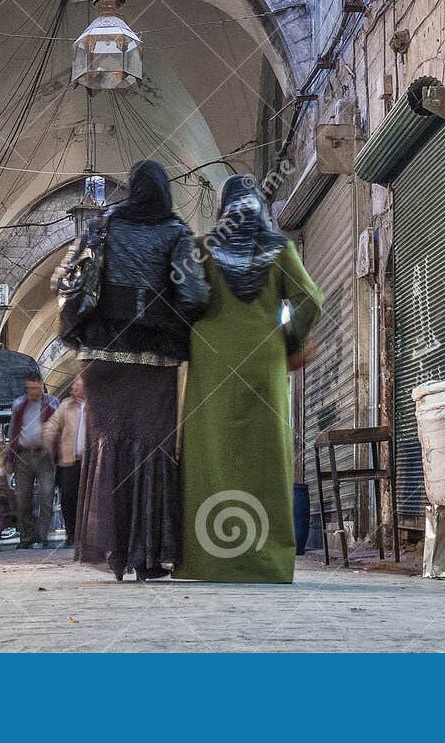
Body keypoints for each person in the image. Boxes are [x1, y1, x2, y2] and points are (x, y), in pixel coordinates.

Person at [54, 160, 208, 581]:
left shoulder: (103, 226)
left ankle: (114, 552)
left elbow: (66, 279)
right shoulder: (176, 233)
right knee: (152, 451)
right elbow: (193, 294)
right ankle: (148, 556)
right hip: (153, 357)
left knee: (109, 449)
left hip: (101, 355)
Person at [177, 174, 323, 584]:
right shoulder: (280, 249)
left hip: (211, 361)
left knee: (210, 454)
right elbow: (310, 299)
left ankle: (209, 560)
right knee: (266, 454)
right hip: (265, 358)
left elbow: (182, 301)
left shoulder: (203, 249)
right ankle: (267, 562)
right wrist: (290, 341)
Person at [7, 371, 58, 548]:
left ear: (42, 386)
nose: (32, 392)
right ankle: (26, 537)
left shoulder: (52, 403)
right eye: (29, 388)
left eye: (35, 389)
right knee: (22, 498)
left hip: (45, 455)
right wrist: (10, 458)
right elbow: (13, 432)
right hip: (23, 455)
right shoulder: (19, 405)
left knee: (46, 495)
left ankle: (42, 535)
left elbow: (59, 427)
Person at [43, 373, 86, 547]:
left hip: (90, 462)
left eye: (77, 384)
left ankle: (87, 535)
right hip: (68, 461)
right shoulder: (66, 406)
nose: (73, 387)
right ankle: (72, 533)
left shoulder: (96, 406)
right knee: (68, 498)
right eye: (73, 383)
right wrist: (48, 437)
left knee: (88, 499)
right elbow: (53, 424)